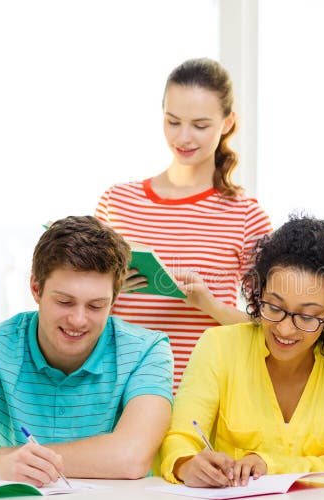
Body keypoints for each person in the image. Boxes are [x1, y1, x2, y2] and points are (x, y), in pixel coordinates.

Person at [0, 216, 173, 486]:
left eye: (95, 306)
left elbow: (131, 457)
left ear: (113, 300)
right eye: (65, 302)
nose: (78, 320)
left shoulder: (148, 350)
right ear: (36, 288)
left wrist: (11, 456)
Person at [158, 216, 324, 487]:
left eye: (307, 316)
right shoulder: (218, 345)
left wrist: (268, 465)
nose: (285, 330)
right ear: (259, 292)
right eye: (274, 307)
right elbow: (179, 438)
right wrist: (186, 464)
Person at [96, 57, 272, 392]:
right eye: (173, 121)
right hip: (117, 391)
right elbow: (87, 301)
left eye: (200, 125)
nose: (184, 137)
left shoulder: (245, 214)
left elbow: (273, 323)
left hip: (200, 394)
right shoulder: (117, 202)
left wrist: (210, 304)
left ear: (227, 122)